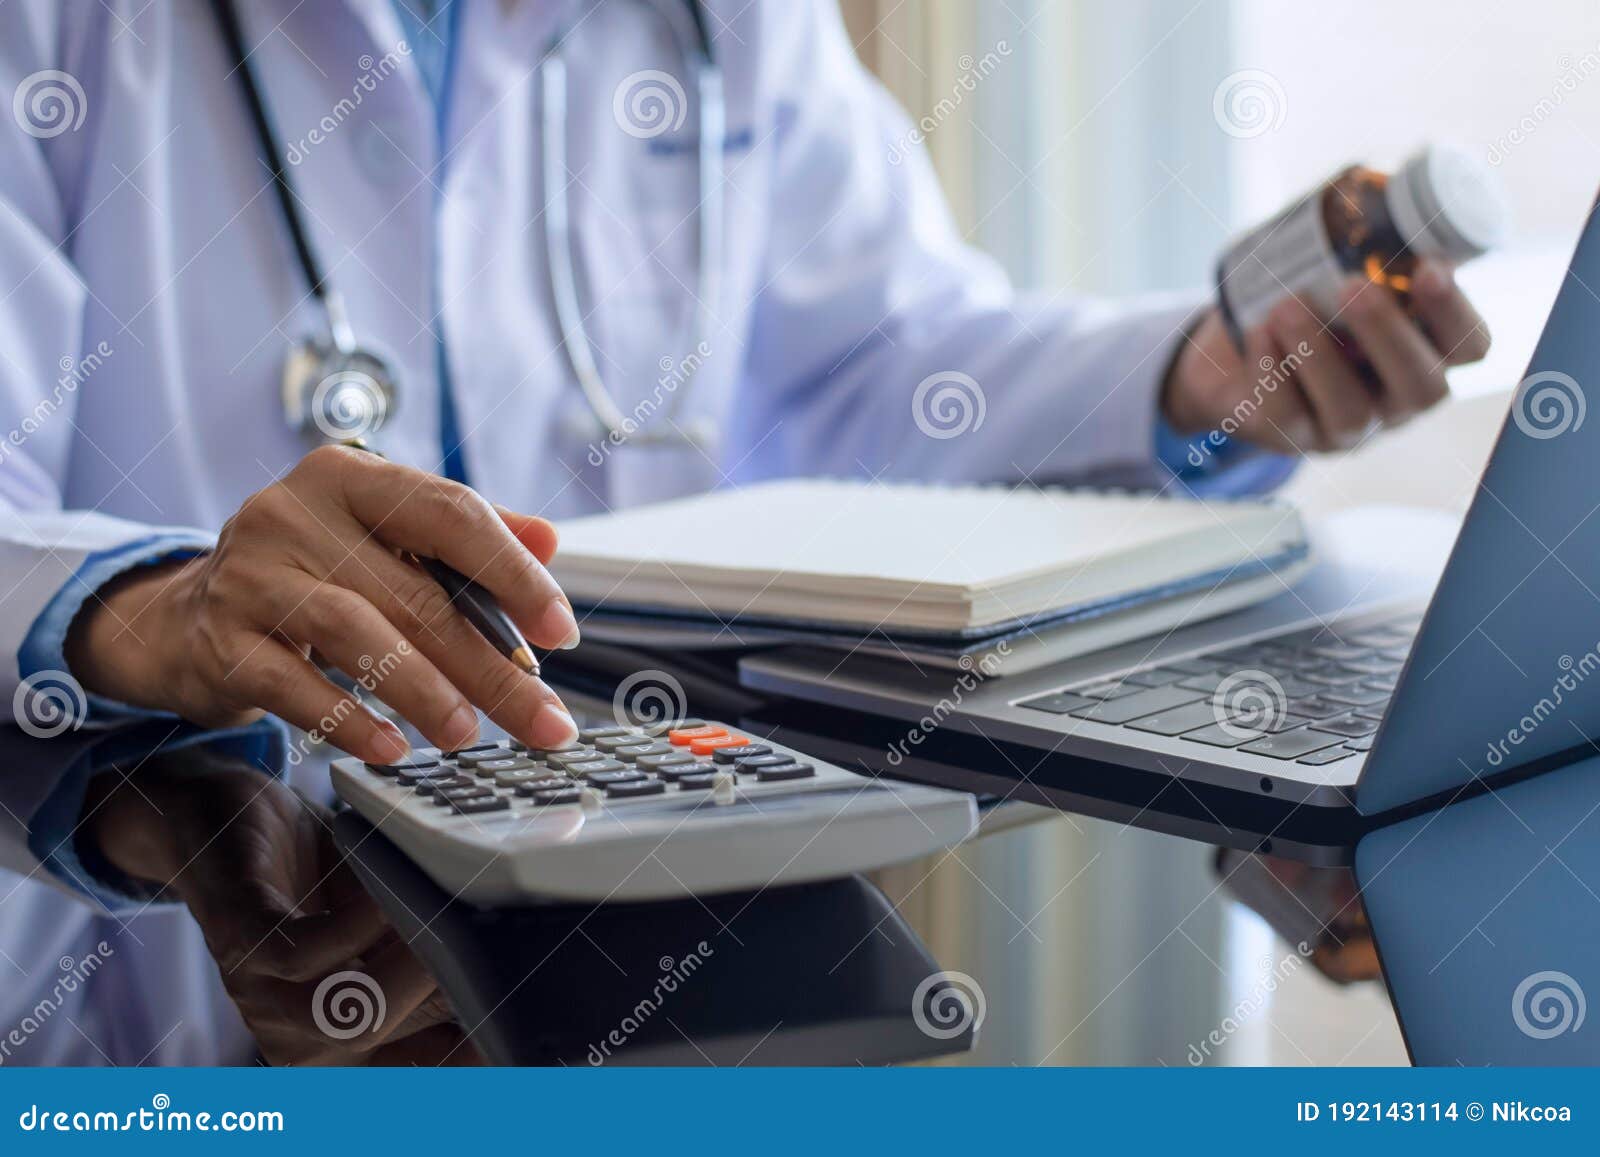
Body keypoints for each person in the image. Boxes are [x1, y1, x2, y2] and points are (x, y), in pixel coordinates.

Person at [0, 0, 1483, 1064]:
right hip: (149, 926)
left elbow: (886, 372)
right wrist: (156, 604)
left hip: (622, 827)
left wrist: (1198, 386)